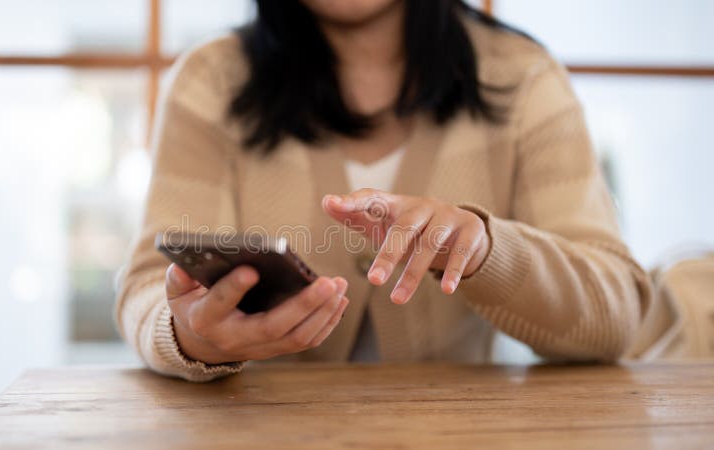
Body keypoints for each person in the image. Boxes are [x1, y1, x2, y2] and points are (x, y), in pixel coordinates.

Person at [116, 0, 652, 382]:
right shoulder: (209, 80)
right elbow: (148, 285)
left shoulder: (526, 79)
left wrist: (485, 250)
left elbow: (615, 315)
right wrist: (189, 337)